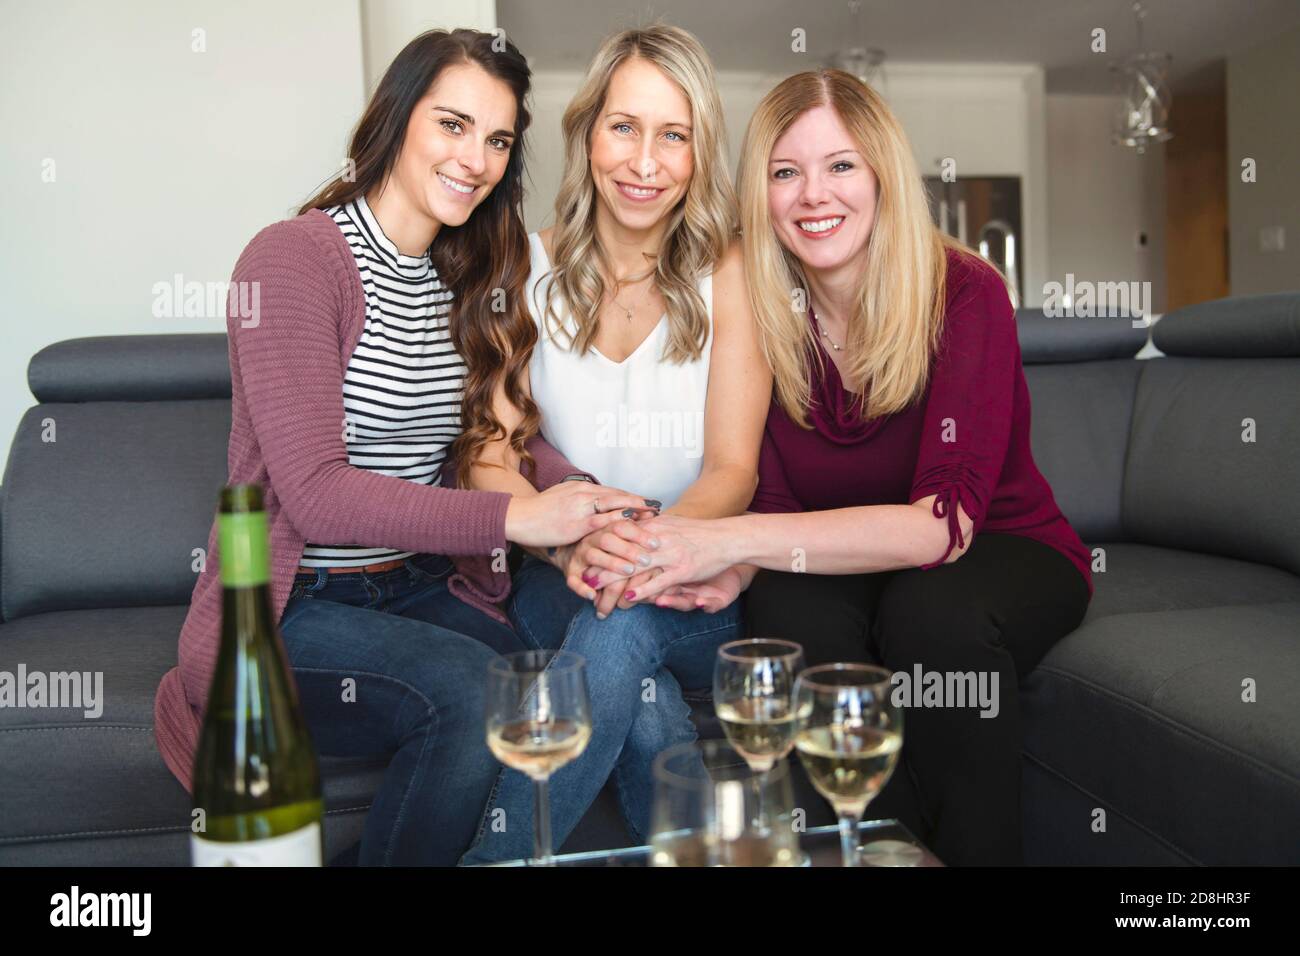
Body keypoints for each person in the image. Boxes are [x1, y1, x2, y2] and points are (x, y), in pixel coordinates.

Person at [153, 29, 652, 866]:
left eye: (497, 140)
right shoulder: (291, 262)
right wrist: (518, 521)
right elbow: (314, 491)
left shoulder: (466, 274)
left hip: (415, 587)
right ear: (396, 118)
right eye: (452, 124)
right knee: (464, 696)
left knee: (570, 683)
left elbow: (495, 437)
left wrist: (590, 500)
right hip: (296, 607)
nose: (476, 159)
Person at [615, 69, 1093, 866]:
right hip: (849, 565)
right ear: (760, 194)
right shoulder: (766, 310)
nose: (812, 195)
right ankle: (877, 854)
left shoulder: (966, 293)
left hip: (999, 546)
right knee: (786, 619)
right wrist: (725, 570)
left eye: (840, 165)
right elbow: (769, 503)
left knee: (930, 615)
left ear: (881, 176)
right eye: (784, 172)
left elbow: (942, 529)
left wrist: (724, 542)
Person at [458, 25, 770, 864]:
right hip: (555, 576)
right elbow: (488, 447)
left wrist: (648, 550)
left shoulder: (734, 274)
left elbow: (733, 468)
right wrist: (568, 537)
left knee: (624, 631)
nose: (645, 161)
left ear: (700, 153)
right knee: (639, 684)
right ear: (587, 131)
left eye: (674, 136)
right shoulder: (519, 268)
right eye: (624, 127)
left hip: (694, 581)